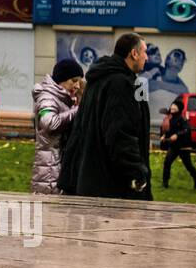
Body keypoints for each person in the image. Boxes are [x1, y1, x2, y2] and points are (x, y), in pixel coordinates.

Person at [58, 32, 153, 200]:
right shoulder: (120, 84)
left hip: (91, 178)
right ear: (134, 53)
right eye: (145, 52)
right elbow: (120, 133)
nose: (147, 57)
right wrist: (136, 171)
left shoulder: (101, 80)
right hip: (112, 185)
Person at [30, 59, 83, 195]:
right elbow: (49, 123)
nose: (77, 86)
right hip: (49, 173)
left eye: (79, 81)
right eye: (74, 80)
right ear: (61, 79)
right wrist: (78, 110)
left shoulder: (61, 98)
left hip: (55, 168)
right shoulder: (47, 98)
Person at [160, 99, 196, 190]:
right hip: (174, 146)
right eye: (172, 105)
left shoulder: (182, 118)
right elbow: (170, 131)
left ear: (179, 109)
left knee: (188, 165)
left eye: (174, 106)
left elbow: (186, 130)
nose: (172, 107)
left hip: (183, 147)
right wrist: (164, 136)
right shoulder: (171, 119)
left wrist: (177, 135)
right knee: (167, 163)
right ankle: (165, 183)